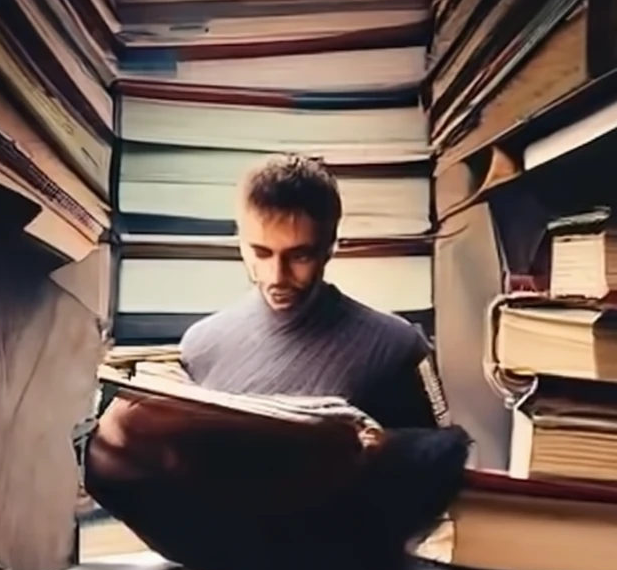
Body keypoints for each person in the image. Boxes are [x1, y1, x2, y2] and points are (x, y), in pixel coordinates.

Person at [179, 153, 444, 432]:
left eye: (299, 257)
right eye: (261, 253)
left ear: (331, 247)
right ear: (240, 242)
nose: (277, 277)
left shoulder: (397, 347)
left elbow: (438, 463)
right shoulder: (199, 347)